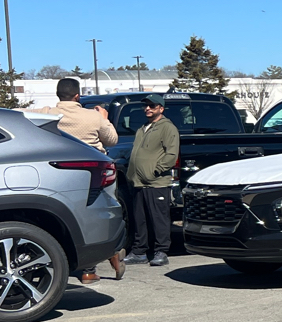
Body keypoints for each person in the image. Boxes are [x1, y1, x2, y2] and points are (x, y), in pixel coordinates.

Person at [37, 78, 125, 282]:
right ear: (78, 96)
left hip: (57, 173)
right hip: (93, 171)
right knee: (102, 214)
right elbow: (112, 139)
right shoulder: (92, 117)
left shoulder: (46, 114)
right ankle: (100, 260)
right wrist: (104, 118)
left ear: (58, 94)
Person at [122, 94, 180, 267]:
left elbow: (171, 154)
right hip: (138, 182)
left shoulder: (167, 128)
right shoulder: (143, 128)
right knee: (140, 219)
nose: (147, 108)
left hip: (156, 182)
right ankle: (139, 252)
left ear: (161, 109)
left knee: (158, 218)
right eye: (146, 106)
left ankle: (161, 252)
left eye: (152, 106)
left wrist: (156, 170)